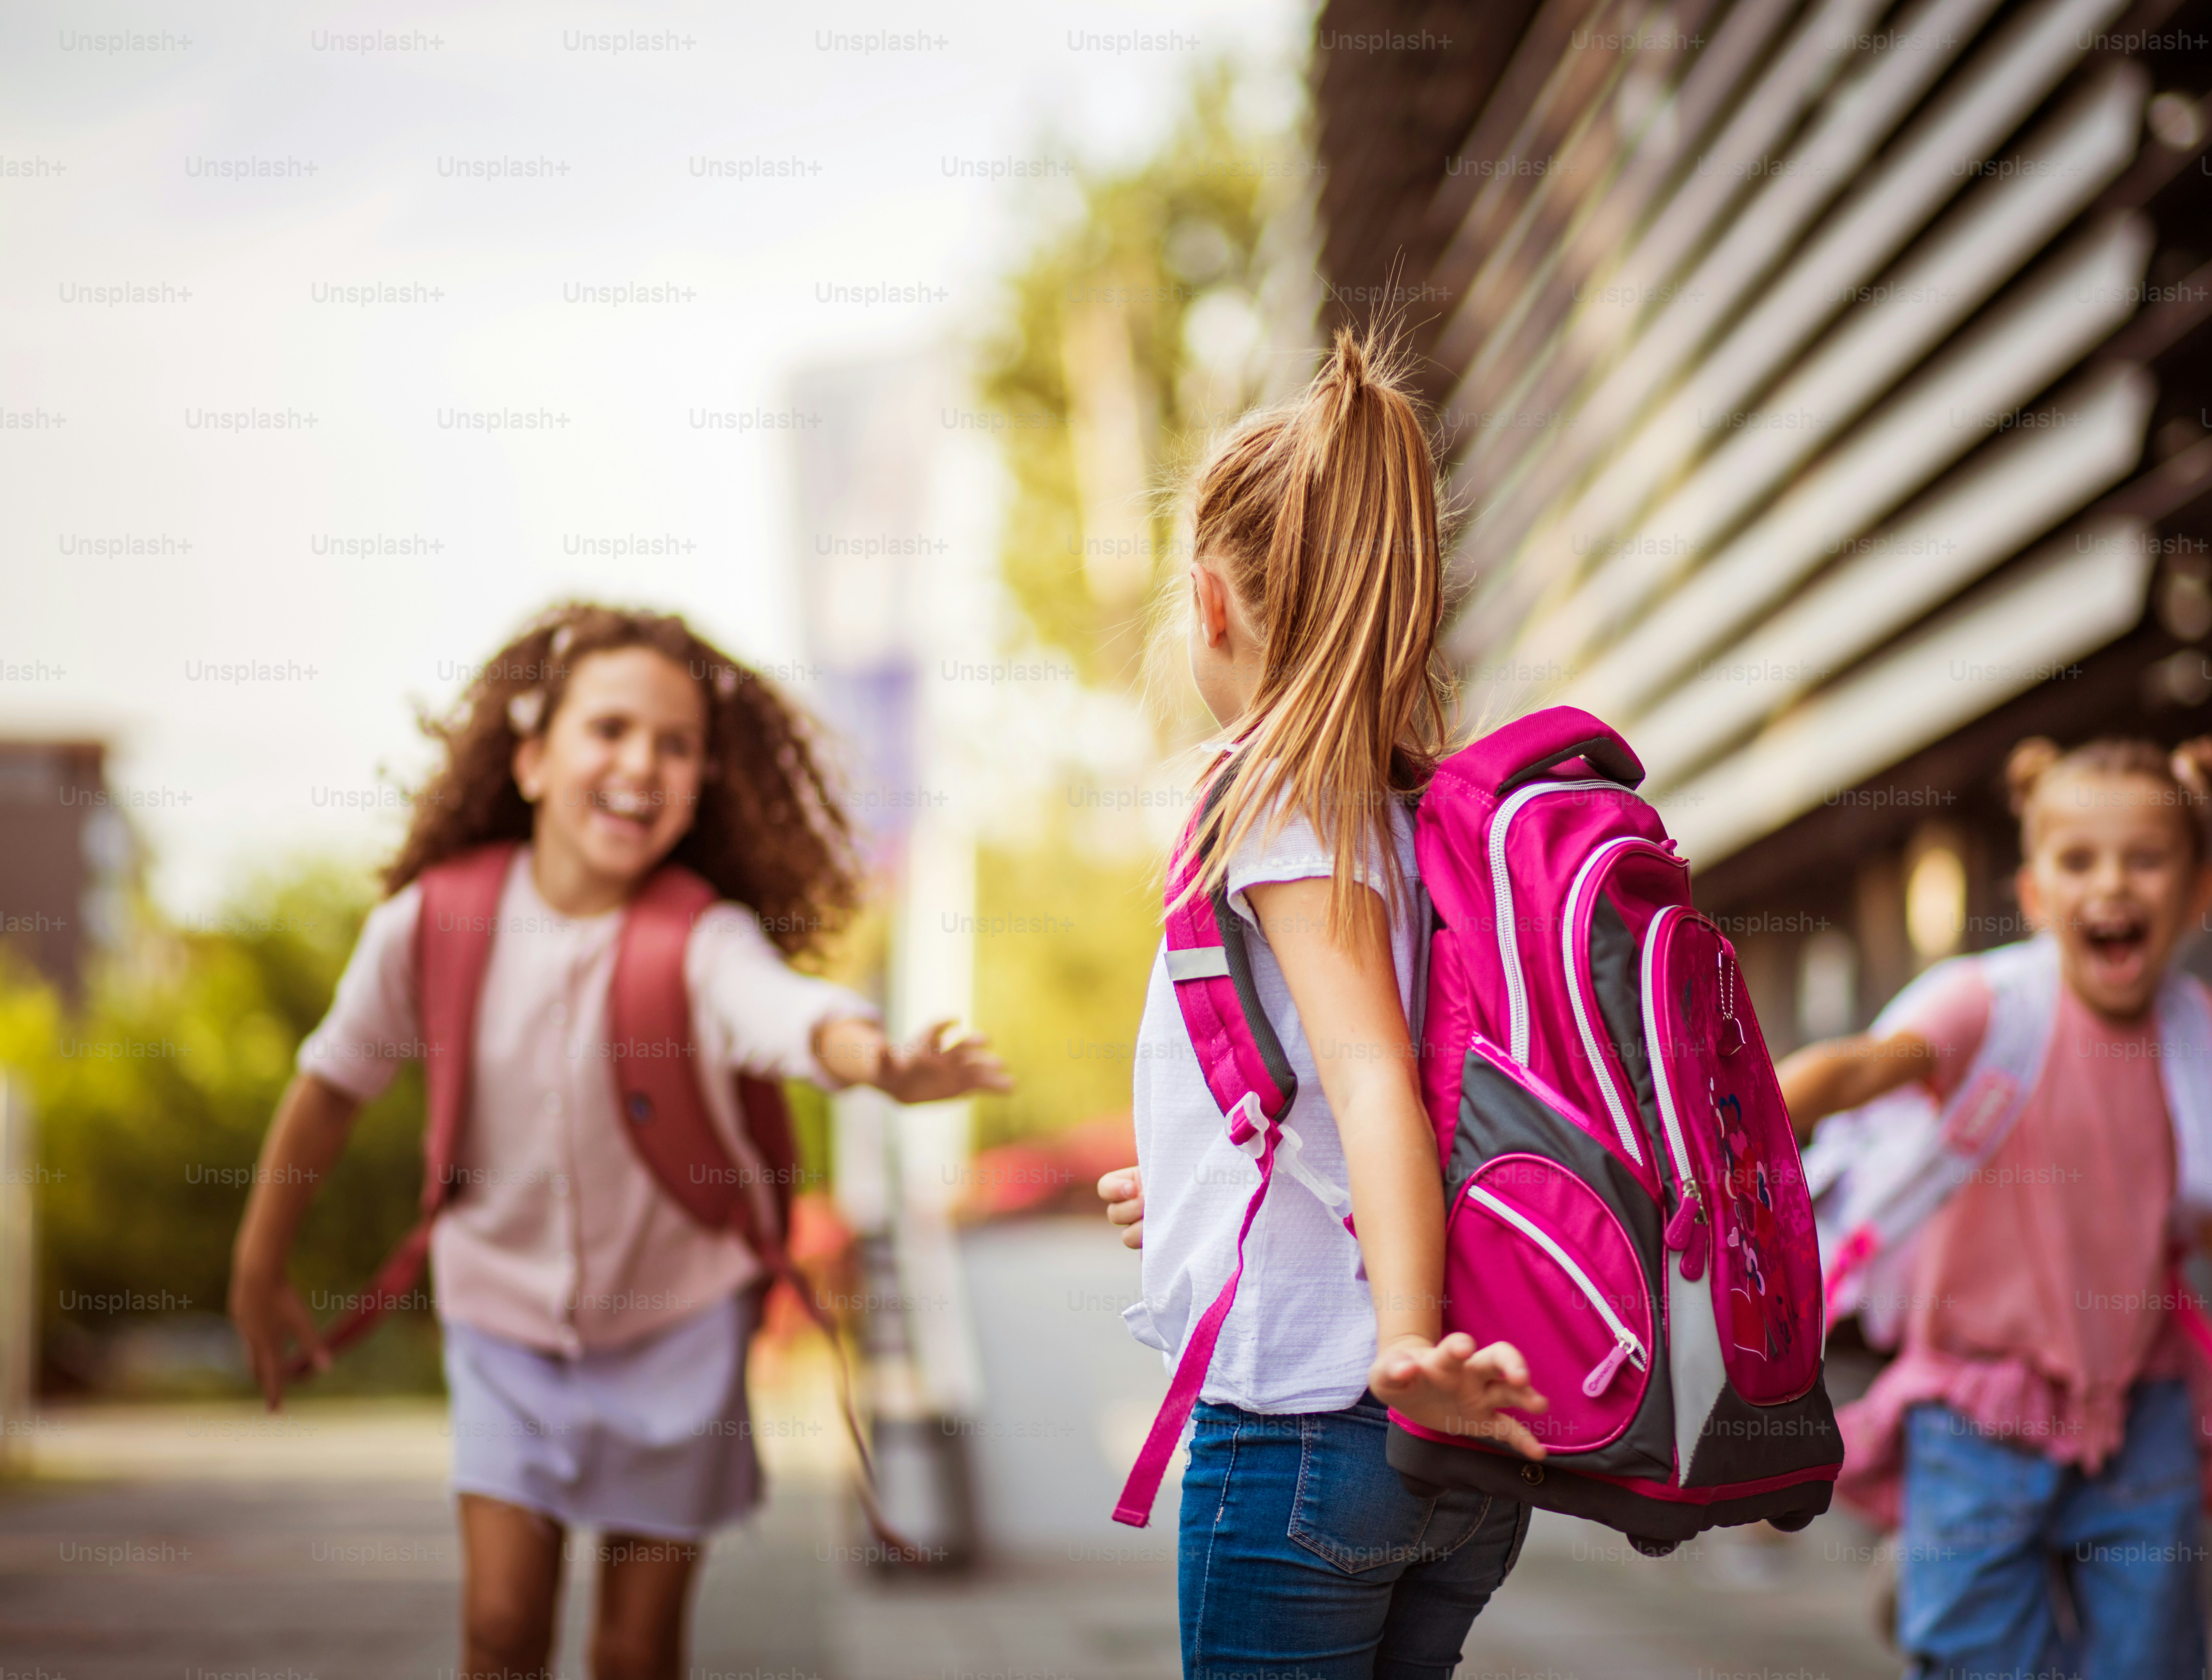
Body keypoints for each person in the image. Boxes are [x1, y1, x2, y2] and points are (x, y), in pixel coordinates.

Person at [228, 602, 1006, 1680]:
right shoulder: (431, 922)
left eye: (678, 745)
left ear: (700, 787)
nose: (642, 761)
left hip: (676, 1328)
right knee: (501, 1625)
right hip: (503, 1325)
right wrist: (260, 1261)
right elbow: (329, 1086)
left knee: (637, 1651)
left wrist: (883, 1062)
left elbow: (790, 1014)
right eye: (610, 730)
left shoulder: (701, 939)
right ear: (534, 759)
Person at [1107, 329, 1547, 1680]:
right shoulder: (1406, 812)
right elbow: (1353, 1076)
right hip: (1456, 1465)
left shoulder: (1277, 793)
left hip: (1322, 1415)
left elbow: (1370, 1078)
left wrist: (1405, 1341)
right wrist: (1184, 1176)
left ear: (1211, 603)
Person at [1775, 727, 2212, 1679]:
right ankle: (1940, 1569)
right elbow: (1857, 1068)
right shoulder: (1988, 1010)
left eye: (2145, 861)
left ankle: (1938, 1570)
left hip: (2139, 1409)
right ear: (2033, 895)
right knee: (1981, 1661)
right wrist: (1717, 1115)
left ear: (2198, 895)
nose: (2111, 885)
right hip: (1975, 1411)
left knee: (2149, 1662)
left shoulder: (2210, 1033)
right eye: (2077, 861)